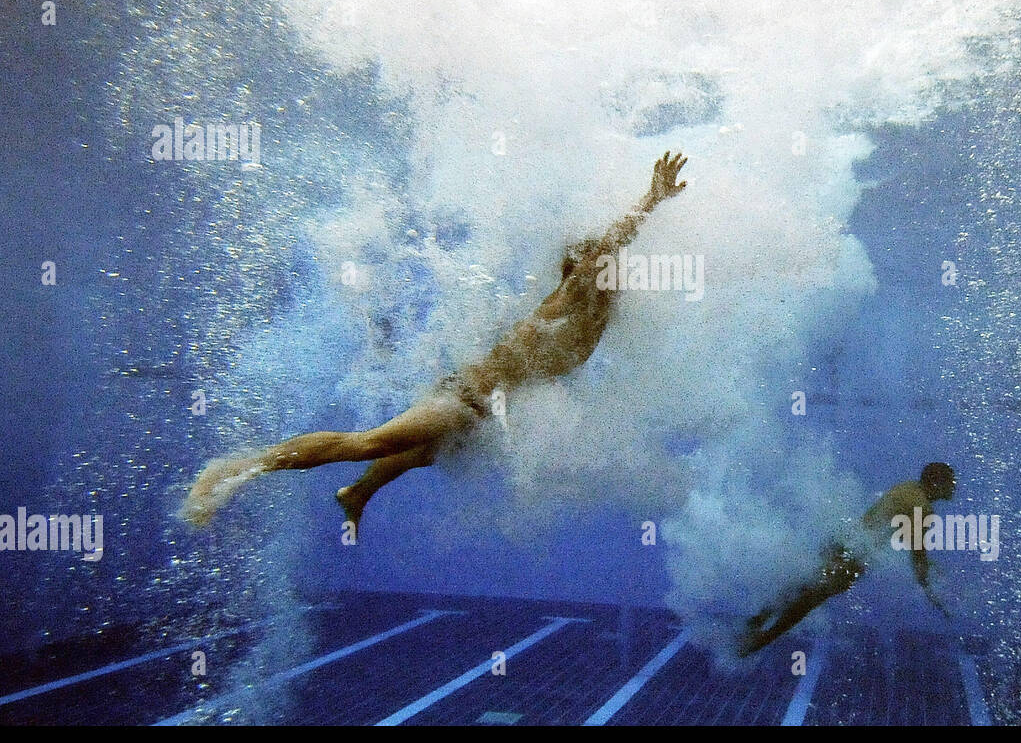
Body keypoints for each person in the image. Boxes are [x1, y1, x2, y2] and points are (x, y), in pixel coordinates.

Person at [181, 152, 689, 531]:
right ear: (580, 266)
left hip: (482, 410)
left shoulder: (599, 318)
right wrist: (651, 200)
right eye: (601, 263)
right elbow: (609, 244)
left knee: (422, 455)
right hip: (463, 397)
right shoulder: (574, 293)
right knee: (370, 442)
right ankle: (236, 469)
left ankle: (357, 495)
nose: (613, 271)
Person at [736, 462, 956, 657]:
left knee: (803, 585)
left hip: (845, 538)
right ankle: (759, 641)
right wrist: (932, 593)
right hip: (855, 557)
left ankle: (756, 621)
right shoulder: (923, 509)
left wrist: (927, 566)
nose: (954, 486)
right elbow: (917, 555)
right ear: (936, 484)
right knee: (808, 601)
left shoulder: (908, 487)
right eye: (950, 482)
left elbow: (907, 541)